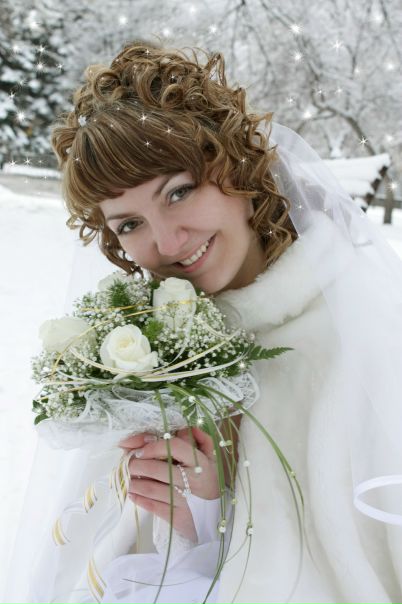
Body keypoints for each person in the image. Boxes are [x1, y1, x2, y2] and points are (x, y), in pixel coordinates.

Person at [5, 41, 402, 604]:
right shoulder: (150, 352)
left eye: (179, 192)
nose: (167, 243)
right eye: (129, 225)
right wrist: (199, 513)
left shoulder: (350, 335)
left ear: (238, 170)